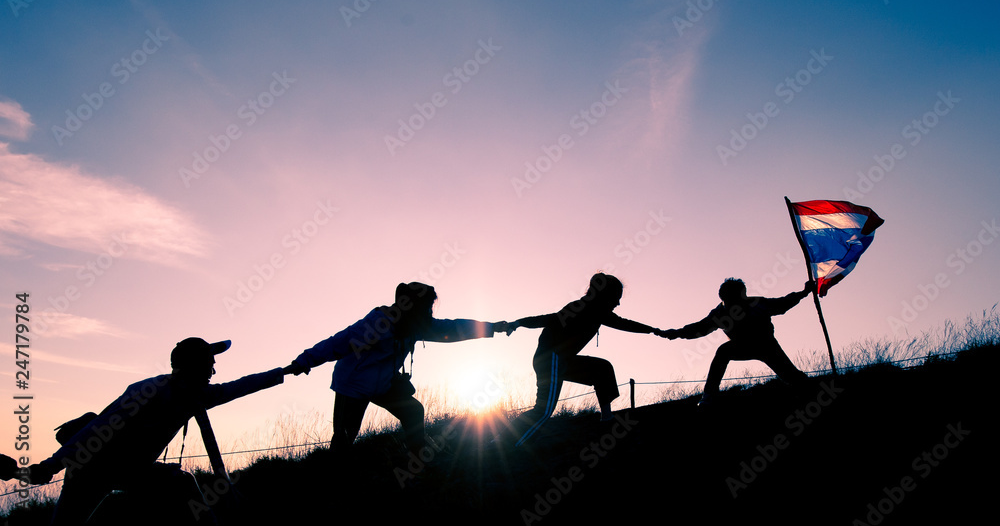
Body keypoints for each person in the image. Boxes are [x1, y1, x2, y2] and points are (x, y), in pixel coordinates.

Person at [16, 337, 297, 525]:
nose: (214, 367)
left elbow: (240, 386)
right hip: (93, 467)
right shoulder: (149, 392)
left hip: (125, 468)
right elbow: (96, 430)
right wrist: (51, 465)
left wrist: (284, 371)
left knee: (181, 484)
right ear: (194, 366)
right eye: (209, 361)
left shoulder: (195, 394)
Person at [287, 282, 511, 454]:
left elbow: (453, 328)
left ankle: (417, 458)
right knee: (345, 438)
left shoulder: (417, 325)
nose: (430, 312)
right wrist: (304, 361)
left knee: (413, 411)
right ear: (414, 307)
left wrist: (492, 327)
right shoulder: (377, 324)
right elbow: (337, 344)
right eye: (427, 307)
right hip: (353, 385)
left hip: (383, 383)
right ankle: (334, 480)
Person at [505, 273, 664, 448]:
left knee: (601, 369)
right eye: (616, 299)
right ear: (606, 296)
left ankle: (607, 418)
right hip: (551, 360)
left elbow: (623, 323)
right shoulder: (586, 308)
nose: (617, 303)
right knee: (544, 410)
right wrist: (518, 323)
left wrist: (653, 330)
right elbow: (549, 319)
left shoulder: (595, 309)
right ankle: (509, 445)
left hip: (562, 360)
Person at [658, 278, 814, 407]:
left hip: (766, 345)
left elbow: (782, 304)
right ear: (724, 299)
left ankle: (809, 390)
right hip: (741, 345)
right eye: (730, 301)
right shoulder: (720, 313)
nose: (735, 305)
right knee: (723, 352)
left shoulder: (757, 303)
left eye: (737, 300)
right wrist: (676, 333)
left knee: (793, 377)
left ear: (743, 295)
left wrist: (804, 292)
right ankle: (709, 396)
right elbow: (699, 328)